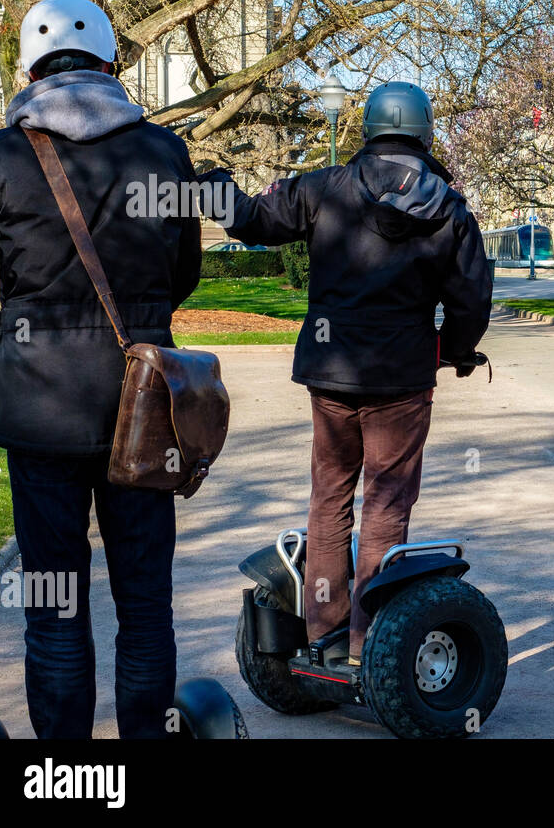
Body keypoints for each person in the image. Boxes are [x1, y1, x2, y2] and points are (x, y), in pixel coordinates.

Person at [0, 0, 202, 738]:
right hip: (144, 405)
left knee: (54, 607)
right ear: (109, 63)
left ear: (31, 68)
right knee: (143, 605)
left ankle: (65, 773)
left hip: (41, 411)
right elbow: (184, 272)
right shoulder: (165, 153)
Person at [203, 82, 491, 666]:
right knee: (386, 505)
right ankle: (369, 645)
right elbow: (471, 300)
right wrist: (456, 351)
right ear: (424, 132)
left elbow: (251, 221)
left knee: (329, 497)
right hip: (403, 378)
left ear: (367, 130)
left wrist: (212, 183)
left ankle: (319, 637)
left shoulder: (324, 188)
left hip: (331, 375)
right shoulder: (449, 208)